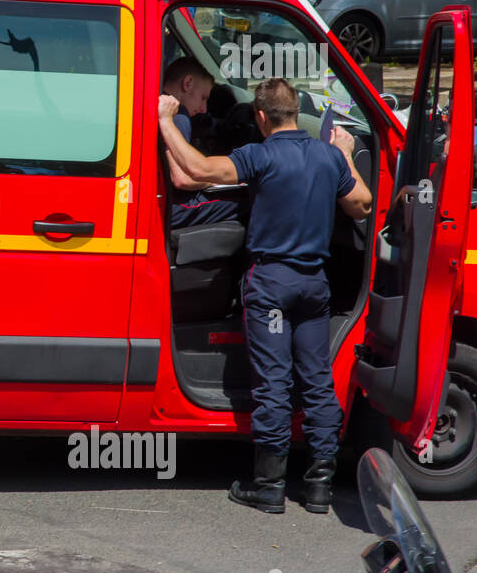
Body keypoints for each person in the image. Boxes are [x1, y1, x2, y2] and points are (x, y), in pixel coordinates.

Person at [157, 78, 373, 515]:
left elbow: (195, 170)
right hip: (314, 287)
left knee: (273, 383)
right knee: (316, 382)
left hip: (270, 286)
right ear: (295, 112)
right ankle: (318, 488)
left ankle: (270, 486)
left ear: (259, 117)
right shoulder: (328, 157)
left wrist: (165, 120)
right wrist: (346, 156)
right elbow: (362, 204)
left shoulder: (258, 155)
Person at [160, 57, 240, 227]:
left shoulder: (158, 102)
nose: (204, 109)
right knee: (246, 200)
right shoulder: (178, 115)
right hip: (173, 209)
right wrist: (218, 178)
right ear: (187, 83)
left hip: (160, 203)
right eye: (203, 97)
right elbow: (182, 179)